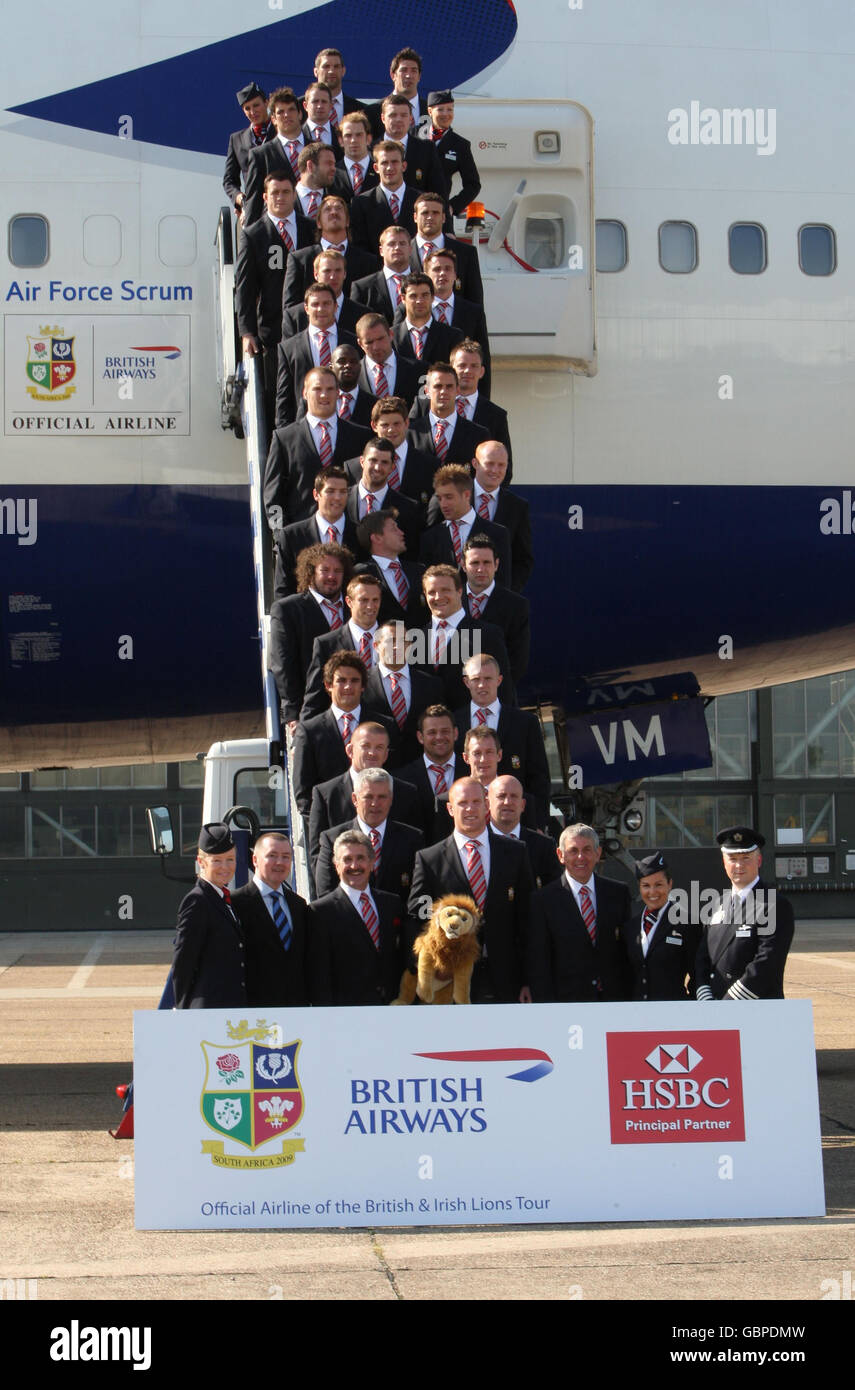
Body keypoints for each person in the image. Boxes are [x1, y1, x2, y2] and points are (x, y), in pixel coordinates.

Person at [407, 777, 534, 1002]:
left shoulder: (516, 852)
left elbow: (527, 920)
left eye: (476, 801)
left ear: (486, 804)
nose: (470, 809)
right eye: (463, 802)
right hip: (450, 977)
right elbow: (419, 915)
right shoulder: (430, 859)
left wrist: (528, 979)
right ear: (450, 809)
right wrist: (432, 964)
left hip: (506, 978)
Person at [235, 172, 313, 419]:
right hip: (272, 330)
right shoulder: (253, 235)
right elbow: (245, 287)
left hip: (310, 325)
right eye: (275, 193)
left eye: (286, 192)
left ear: (294, 195)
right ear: (266, 197)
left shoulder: (310, 228)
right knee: (277, 393)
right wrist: (247, 332)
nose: (280, 198)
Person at [527, 824, 632, 1002]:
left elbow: (625, 953)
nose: (580, 857)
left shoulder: (618, 894)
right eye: (573, 851)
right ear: (561, 855)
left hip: (613, 1002)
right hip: (565, 1005)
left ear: (598, 854)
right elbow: (539, 961)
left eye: (587, 850)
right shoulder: (543, 900)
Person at [696, 826, 795, 1000]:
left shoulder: (774, 905)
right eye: (732, 859)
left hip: (754, 1010)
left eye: (746, 858)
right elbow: (702, 957)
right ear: (724, 862)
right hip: (714, 1009)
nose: (739, 865)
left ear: (759, 861)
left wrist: (729, 1003)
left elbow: (767, 963)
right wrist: (705, 996)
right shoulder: (715, 904)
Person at [309, 829, 406, 1006]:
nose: (354, 866)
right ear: (336, 865)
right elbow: (320, 975)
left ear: (372, 862)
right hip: (347, 1015)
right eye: (347, 859)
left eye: (360, 858)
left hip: (393, 1007)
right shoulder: (321, 912)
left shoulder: (392, 904)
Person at [265, 366, 371, 525]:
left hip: (347, 536)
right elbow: (272, 495)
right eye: (317, 389)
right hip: (302, 537)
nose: (324, 395)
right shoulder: (284, 439)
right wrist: (281, 535)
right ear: (305, 393)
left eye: (330, 389)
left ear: (338, 393)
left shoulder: (360, 437)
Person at [292, 653, 397, 813]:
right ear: (328, 685)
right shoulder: (309, 731)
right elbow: (303, 794)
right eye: (341, 680)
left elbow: (394, 775)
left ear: (363, 686)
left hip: (377, 821)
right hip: (331, 826)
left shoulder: (385, 725)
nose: (348, 687)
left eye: (354, 681)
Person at [309, 720, 422, 862]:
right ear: (350, 750)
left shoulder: (407, 792)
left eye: (379, 747)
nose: (372, 753)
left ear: (386, 754)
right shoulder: (325, 794)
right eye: (365, 746)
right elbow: (317, 856)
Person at [268, 540, 353, 726]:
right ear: (311, 572)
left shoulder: (354, 607)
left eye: (337, 571)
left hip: (354, 709)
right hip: (311, 712)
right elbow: (283, 665)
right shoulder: (287, 609)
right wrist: (293, 714)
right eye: (325, 570)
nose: (332, 576)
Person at [454, 657, 549, 823]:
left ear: (499, 680)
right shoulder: (454, 722)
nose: (482, 685)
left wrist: (539, 822)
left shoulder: (525, 723)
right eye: (476, 679)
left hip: (516, 821)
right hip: (468, 819)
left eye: (488, 678)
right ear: (466, 682)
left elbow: (539, 778)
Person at [313, 766, 424, 899]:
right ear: (355, 799)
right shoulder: (331, 840)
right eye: (368, 797)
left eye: (382, 797)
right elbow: (326, 893)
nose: (375, 804)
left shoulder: (413, 839)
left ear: (391, 799)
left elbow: (420, 892)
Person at [416, 563, 515, 710]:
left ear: (459, 591)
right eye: (431, 592)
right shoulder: (416, 639)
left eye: (445, 590)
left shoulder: (487, 634)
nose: (438, 597)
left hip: (475, 728)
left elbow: (504, 691)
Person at [172, 823, 246, 1008]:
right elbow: (184, 962)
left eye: (230, 859)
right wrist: (181, 1007)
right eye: (217, 861)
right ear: (201, 862)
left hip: (230, 1009)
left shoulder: (222, 898)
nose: (225, 867)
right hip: (209, 1010)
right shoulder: (197, 901)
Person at [231, 832, 309, 1006]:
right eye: (272, 856)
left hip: (296, 1009)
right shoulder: (235, 904)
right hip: (254, 1012)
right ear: (255, 860)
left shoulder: (299, 905)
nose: (280, 863)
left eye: (286, 857)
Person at [275, 282, 359, 428]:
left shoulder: (353, 343)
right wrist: (285, 433)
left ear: (335, 306)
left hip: (347, 424)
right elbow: (284, 396)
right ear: (306, 308)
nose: (321, 309)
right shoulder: (288, 348)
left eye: (326, 303)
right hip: (306, 427)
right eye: (315, 304)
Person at [300, 572, 383, 718]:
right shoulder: (326, 644)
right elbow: (315, 697)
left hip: (383, 727)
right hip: (344, 726)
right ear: (349, 602)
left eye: (375, 600)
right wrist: (304, 734)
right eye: (363, 600)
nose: (371, 606)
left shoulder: (396, 639)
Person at [621, 851, 700, 1001]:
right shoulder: (630, 927)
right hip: (636, 1015)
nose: (652, 892)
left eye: (658, 885)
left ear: (670, 884)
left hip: (673, 1014)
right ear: (639, 887)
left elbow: (697, 975)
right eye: (646, 886)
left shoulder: (687, 923)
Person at [361, 619, 444, 761]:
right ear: (376, 645)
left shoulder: (431, 685)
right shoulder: (362, 683)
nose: (396, 647)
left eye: (402, 641)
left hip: (418, 765)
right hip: (376, 764)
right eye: (390, 641)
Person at [273, 466, 358, 600]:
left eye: (342, 492)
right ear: (316, 494)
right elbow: (283, 589)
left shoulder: (359, 534)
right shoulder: (291, 536)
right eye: (330, 491)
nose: (337, 497)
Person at [461, 535, 530, 683]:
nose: (481, 569)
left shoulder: (516, 606)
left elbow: (518, 662)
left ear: (496, 565)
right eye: (474, 563)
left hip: (497, 695)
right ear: (463, 565)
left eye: (487, 562)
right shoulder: (450, 600)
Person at [420, 462, 510, 575]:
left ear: (466, 495)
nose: (443, 504)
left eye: (449, 497)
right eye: (440, 498)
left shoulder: (498, 533)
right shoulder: (430, 538)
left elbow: (502, 582)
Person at [283, 198, 378, 304]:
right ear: (318, 223)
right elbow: (291, 307)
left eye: (339, 208)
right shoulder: (299, 260)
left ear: (347, 221)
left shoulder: (368, 262)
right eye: (327, 209)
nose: (334, 212)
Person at [396, 704, 468, 844]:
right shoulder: (402, 778)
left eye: (445, 731)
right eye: (432, 732)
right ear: (420, 737)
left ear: (456, 733)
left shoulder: (471, 773)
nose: (439, 737)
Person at [468, 440, 531, 590]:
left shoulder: (517, 507)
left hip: (499, 600)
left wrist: (507, 594)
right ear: (475, 463)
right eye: (489, 463)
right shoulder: (455, 497)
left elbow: (523, 559)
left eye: (501, 465)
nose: (495, 470)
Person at [344, 437, 420, 554]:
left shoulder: (407, 508)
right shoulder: (342, 499)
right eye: (373, 460)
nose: (377, 467)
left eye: (384, 462)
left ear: (392, 467)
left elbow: (410, 552)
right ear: (362, 461)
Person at [242, 87, 307, 225]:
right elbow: (254, 202)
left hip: (311, 230)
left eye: (291, 110)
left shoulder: (317, 150)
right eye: (280, 112)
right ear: (273, 119)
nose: (286, 115)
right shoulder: (260, 155)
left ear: (300, 114)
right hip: (277, 232)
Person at [353, 509, 426, 626]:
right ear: (377, 538)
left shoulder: (419, 570)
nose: (401, 533)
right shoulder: (360, 573)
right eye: (394, 529)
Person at [409, 191, 484, 305]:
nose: (430, 217)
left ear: (444, 217)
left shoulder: (466, 253)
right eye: (425, 213)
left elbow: (475, 301)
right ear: (415, 217)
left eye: (435, 213)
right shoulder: (403, 252)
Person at [488, 776, 561, 891]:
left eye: (514, 796)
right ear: (488, 803)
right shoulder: (476, 844)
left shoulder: (544, 846)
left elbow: (554, 894)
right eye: (501, 796)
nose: (507, 802)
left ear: (522, 805)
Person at [408, 366, 489, 468]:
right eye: (438, 386)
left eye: (449, 386)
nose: (443, 391)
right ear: (427, 391)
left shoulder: (478, 434)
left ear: (458, 390)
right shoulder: (411, 432)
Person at [367, 396, 436, 510]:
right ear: (374, 426)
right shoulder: (356, 467)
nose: (391, 430)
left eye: (396, 424)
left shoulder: (430, 465)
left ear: (407, 423)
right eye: (385, 425)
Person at [349, 141, 418, 254]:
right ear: (376, 168)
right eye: (384, 163)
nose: (389, 168)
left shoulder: (420, 200)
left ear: (404, 166)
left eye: (394, 162)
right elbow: (360, 246)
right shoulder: (361, 203)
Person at [425, 90, 481, 222]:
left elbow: (473, 184)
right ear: (430, 111)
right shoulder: (415, 135)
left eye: (449, 110)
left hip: (441, 215)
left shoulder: (460, 145)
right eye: (440, 109)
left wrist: (452, 206)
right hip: (414, 211)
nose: (446, 114)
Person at [373, 94, 444, 195]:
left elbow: (438, 192)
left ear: (411, 118)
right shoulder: (370, 150)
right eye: (393, 115)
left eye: (403, 115)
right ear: (383, 118)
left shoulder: (427, 150)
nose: (398, 119)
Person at [223, 82, 273, 215]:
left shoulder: (280, 133)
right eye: (247, 108)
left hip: (280, 206)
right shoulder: (236, 139)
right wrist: (239, 198)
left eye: (256, 105)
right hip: (253, 209)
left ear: (267, 102)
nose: (253, 112)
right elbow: (229, 180)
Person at [393, 273, 462, 367]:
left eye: (425, 295)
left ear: (433, 297)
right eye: (413, 296)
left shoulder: (452, 336)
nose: (419, 301)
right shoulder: (391, 337)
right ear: (403, 299)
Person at [355, 313, 422, 407]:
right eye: (369, 342)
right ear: (360, 344)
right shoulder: (353, 374)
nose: (376, 347)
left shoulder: (418, 370)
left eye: (380, 339)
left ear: (391, 334)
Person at [349, 225, 414, 322]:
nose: (397, 247)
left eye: (402, 243)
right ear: (381, 251)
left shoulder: (425, 283)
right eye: (391, 244)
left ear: (410, 249)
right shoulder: (363, 288)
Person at [313, 47, 365, 129]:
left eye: (336, 66)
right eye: (326, 66)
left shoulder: (361, 110)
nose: (331, 71)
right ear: (316, 72)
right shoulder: (299, 108)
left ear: (343, 71)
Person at [332, 110, 377, 201]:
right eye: (348, 135)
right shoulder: (332, 173)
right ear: (340, 141)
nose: (353, 140)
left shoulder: (380, 171)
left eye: (359, 135)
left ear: (368, 139)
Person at [293, 142, 337, 222]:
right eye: (329, 163)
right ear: (310, 166)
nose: (334, 168)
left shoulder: (337, 198)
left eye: (334, 164)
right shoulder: (285, 198)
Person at [301, 83, 342, 157]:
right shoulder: (297, 135)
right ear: (305, 106)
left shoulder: (340, 136)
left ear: (331, 106)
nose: (320, 106)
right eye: (315, 101)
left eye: (324, 101)